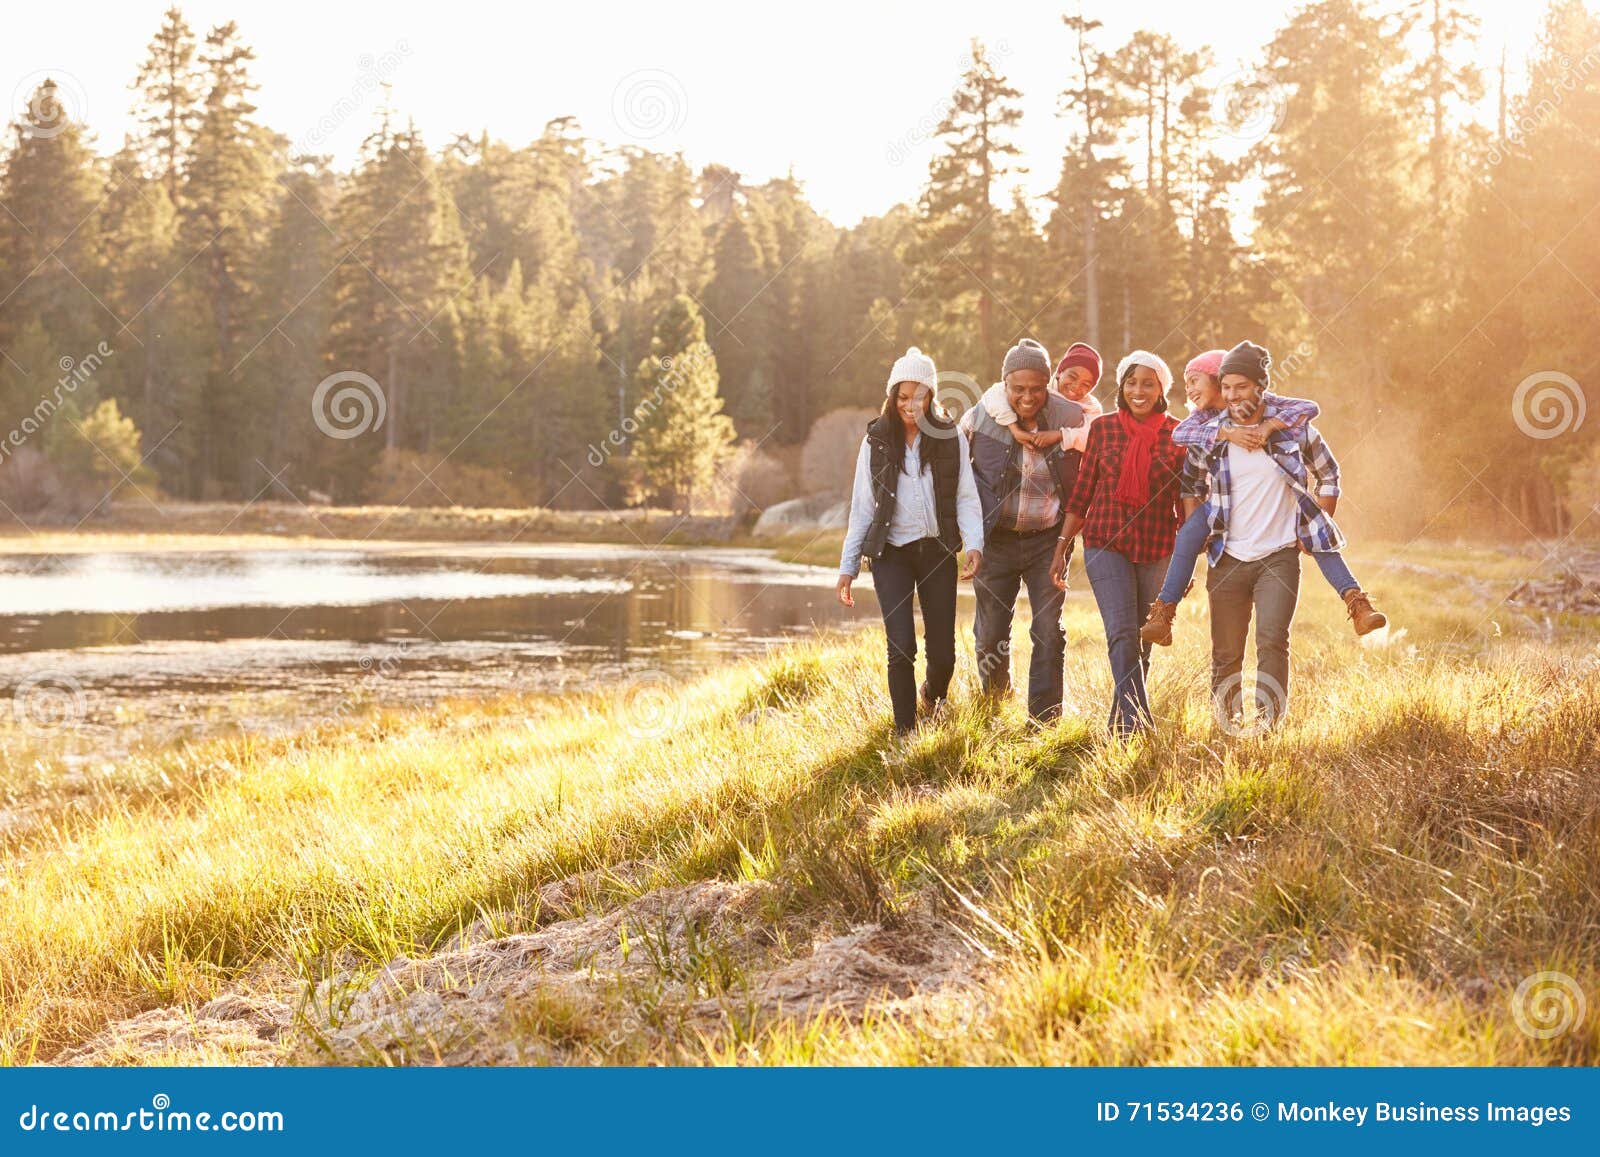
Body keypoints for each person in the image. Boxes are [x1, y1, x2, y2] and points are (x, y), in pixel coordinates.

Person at [1139, 347, 1385, 644]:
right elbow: (1182, 443)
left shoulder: (1269, 409)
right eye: (1228, 387)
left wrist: (1270, 425)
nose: (1189, 389)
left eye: (1195, 381)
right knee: (1188, 534)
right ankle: (1164, 611)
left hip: (1274, 507)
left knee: (1316, 532)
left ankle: (1356, 602)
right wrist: (1227, 434)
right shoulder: (1205, 421)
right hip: (1220, 506)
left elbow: (1308, 408)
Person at [1181, 340, 1367, 729]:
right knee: (1226, 652)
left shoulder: (1294, 431)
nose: (1233, 395)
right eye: (1227, 387)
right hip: (1227, 557)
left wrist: (1316, 523)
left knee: (1271, 641)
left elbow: (1329, 473)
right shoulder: (1211, 435)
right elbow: (1190, 486)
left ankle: (1269, 728)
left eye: (1242, 387)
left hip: (1279, 556)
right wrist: (1199, 530)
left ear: (1260, 387)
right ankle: (1228, 727)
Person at [837, 346, 985, 735]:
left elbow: (967, 497)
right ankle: (905, 732)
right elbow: (861, 508)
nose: (910, 405)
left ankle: (932, 698)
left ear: (932, 396)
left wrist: (973, 544)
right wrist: (848, 567)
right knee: (900, 647)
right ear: (892, 397)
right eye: (903, 397)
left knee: (943, 655)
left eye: (919, 396)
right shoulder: (875, 441)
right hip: (891, 555)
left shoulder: (950, 437)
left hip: (936, 551)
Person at [1047, 351, 1186, 736]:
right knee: (1122, 633)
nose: (1138, 390)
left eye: (1147, 383)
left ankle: (1120, 726)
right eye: (1131, 382)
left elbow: (1185, 505)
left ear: (1161, 389)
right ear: (1122, 387)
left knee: (1143, 641)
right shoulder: (1104, 429)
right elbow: (1082, 495)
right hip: (1106, 544)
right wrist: (1061, 547)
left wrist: (1184, 566)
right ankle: (1141, 726)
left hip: (1158, 547)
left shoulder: (1178, 434)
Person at [960, 337, 1086, 723]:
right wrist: (966, 536)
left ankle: (1044, 718)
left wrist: (1065, 546)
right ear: (1004, 385)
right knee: (990, 634)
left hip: (1047, 540)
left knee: (1048, 630)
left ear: (1047, 384)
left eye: (1036, 388)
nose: (1027, 397)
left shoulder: (1070, 416)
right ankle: (995, 702)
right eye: (1018, 389)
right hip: (995, 540)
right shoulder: (979, 418)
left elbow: (1095, 449)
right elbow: (958, 480)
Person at [978, 342, 1105, 454]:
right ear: (1059, 372)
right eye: (1072, 377)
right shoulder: (1041, 387)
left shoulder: (1091, 407)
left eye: (1086, 384)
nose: (1077, 386)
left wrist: (1060, 435)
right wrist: (1015, 429)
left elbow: (1095, 438)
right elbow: (994, 394)